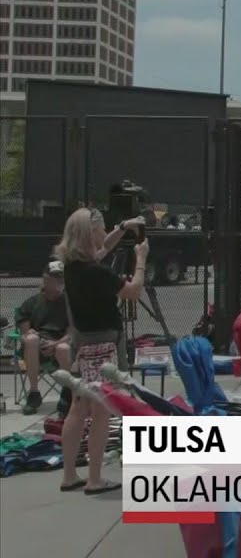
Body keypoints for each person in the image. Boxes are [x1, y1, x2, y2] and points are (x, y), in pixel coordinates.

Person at [56, 208, 147, 495]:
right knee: (102, 410)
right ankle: (94, 478)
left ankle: (69, 475)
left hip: (83, 342)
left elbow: (105, 247)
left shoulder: (73, 267)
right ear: (89, 233)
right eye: (101, 228)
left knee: (78, 406)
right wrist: (141, 259)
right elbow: (133, 291)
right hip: (104, 344)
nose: (104, 233)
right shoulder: (96, 272)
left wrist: (123, 226)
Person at [17, 260, 73, 416]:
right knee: (31, 340)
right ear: (46, 279)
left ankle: (68, 393)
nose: (60, 280)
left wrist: (55, 344)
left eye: (62, 277)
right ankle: (34, 393)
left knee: (64, 348)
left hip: (60, 345)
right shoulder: (32, 302)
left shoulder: (70, 303)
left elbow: (71, 333)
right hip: (36, 348)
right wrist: (33, 336)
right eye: (56, 277)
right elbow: (25, 331)